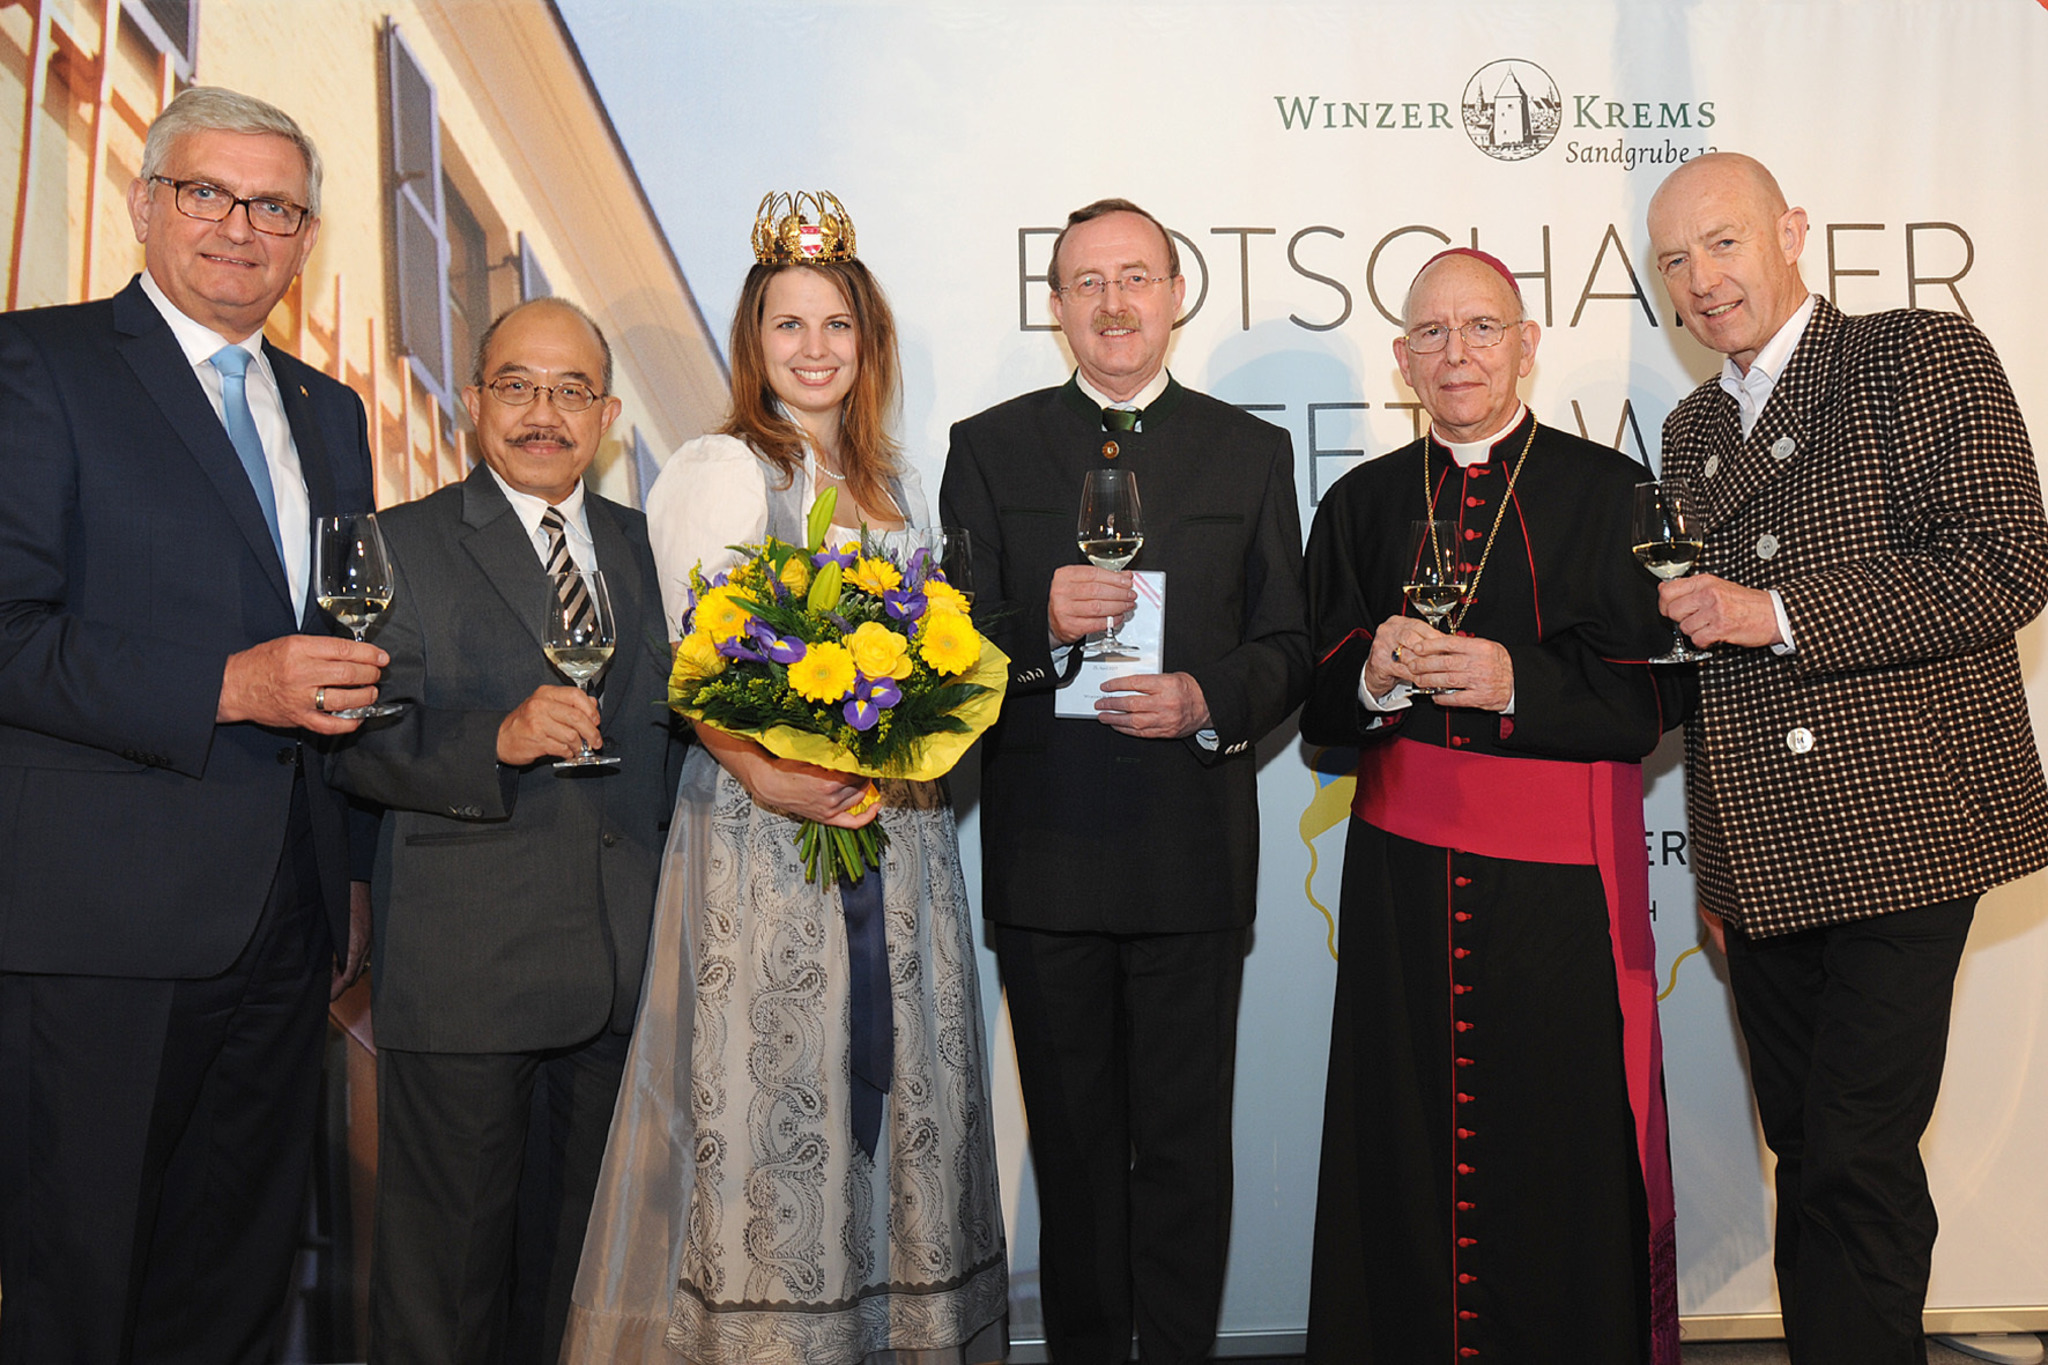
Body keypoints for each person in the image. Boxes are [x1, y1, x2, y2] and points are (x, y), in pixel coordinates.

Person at [562, 191, 1007, 1364]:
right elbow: (698, 670)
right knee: (776, 1108)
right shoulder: (722, 469)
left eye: (835, 327)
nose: (813, 350)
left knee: (903, 1107)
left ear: (869, 346)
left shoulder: (895, 488)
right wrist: (769, 779)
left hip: (896, 844)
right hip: (771, 851)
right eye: (786, 327)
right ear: (752, 348)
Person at [0, 86, 385, 1362]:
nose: (240, 227)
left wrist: (351, 882)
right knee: (81, 1274)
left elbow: (343, 649)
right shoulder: (35, 363)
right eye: (207, 193)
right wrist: (229, 685)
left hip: (287, 917)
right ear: (145, 200)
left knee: (233, 1276)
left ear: (304, 232)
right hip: (100, 921)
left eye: (274, 205)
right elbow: (10, 631)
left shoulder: (332, 413)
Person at [1647, 152, 2048, 1364]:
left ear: (1791, 231)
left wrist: (1773, 609)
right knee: (1809, 1159)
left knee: (1854, 1167)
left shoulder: (1913, 357)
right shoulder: (1688, 429)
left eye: (1722, 243)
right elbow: (1701, 675)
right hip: (1763, 865)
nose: (1702, 281)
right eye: (1674, 261)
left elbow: (2002, 564)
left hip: (1907, 829)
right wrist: (1716, 870)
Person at [939, 198, 1309, 1365]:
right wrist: (1035, 629)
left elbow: (1290, 644)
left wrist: (1210, 702)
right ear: (1054, 307)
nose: (1113, 303)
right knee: (1074, 1150)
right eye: (1086, 283)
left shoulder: (1248, 452)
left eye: (1135, 278)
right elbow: (947, 640)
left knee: (1186, 1148)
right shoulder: (987, 447)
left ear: (1174, 297)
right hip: (1048, 859)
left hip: (1191, 855)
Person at [1296, 247, 1682, 1364]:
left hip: (1553, 893)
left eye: (1479, 329)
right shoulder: (1360, 502)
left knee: (1551, 1144)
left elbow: (1658, 692)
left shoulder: (1608, 492)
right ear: (1400, 358)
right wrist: (1370, 676)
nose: (1454, 353)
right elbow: (1316, 705)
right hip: (1399, 884)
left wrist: (1518, 682)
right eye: (1429, 333)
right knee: (1402, 1135)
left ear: (1525, 344)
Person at [325, 297, 680, 1364]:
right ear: (474, 400)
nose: (543, 412)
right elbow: (350, 737)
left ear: (607, 413)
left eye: (571, 390)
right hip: (467, 978)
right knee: (444, 1301)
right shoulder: (400, 543)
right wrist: (497, 738)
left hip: (619, 979)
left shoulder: (650, 549)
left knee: (573, 1295)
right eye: (517, 385)